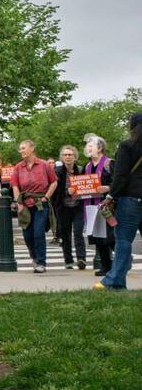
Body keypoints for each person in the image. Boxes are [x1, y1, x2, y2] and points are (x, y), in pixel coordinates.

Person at [95, 112, 142, 291]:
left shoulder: (127, 145)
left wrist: (110, 196)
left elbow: (120, 176)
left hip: (130, 199)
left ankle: (115, 280)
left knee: (123, 240)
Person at [10, 139, 57, 273]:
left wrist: (46, 197)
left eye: (23, 148)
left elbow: (54, 183)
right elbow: (15, 186)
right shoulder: (18, 167)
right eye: (20, 148)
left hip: (40, 204)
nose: (21, 151)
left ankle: (41, 262)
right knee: (27, 235)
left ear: (32, 148)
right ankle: (34, 257)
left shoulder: (44, 165)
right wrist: (18, 203)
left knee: (38, 233)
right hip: (25, 204)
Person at [82, 134, 114, 276]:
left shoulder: (109, 164)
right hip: (92, 206)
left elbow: (119, 182)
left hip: (108, 205)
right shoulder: (87, 166)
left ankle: (121, 262)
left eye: (91, 145)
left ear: (99, 148)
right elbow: (82, 185)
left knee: (111, 237)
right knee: (99, 238)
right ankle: (106, 266)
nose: (87, 148)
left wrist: (108, 188)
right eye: (87, 146)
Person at [52, 145, 87, 270]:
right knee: (65, 234)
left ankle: (81, 258)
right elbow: (54, 191)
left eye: (70, 155)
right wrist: (67, 192)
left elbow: (86, 187)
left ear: (75, 157)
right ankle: (68, 260)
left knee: (78, 232)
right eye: (65, 155)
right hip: (63, 208)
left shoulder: (81, 170)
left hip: (78, 207)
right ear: (62, 157)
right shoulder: (57, 171)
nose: (67, 157)